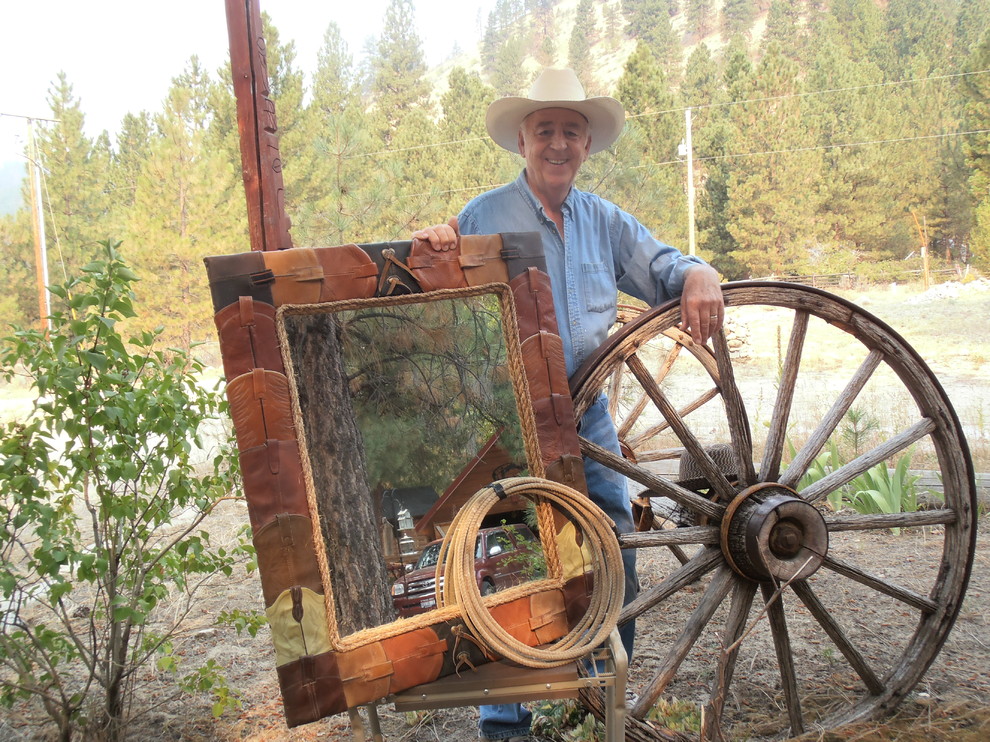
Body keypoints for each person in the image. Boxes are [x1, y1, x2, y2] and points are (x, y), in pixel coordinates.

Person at [413, 68, 723, 742]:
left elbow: (663, 265)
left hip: (586, 417)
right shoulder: (483, 216)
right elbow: (439, 292)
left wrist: (698, 272)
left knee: (614, 544)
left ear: (586, 145)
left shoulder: (604, 221)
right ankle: (505, 723)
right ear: (522, 140)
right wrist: (435, 246)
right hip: (506, 420)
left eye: (571, 132)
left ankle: (601, 697)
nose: (558, 144)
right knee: (509, 561)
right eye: (545, 130)